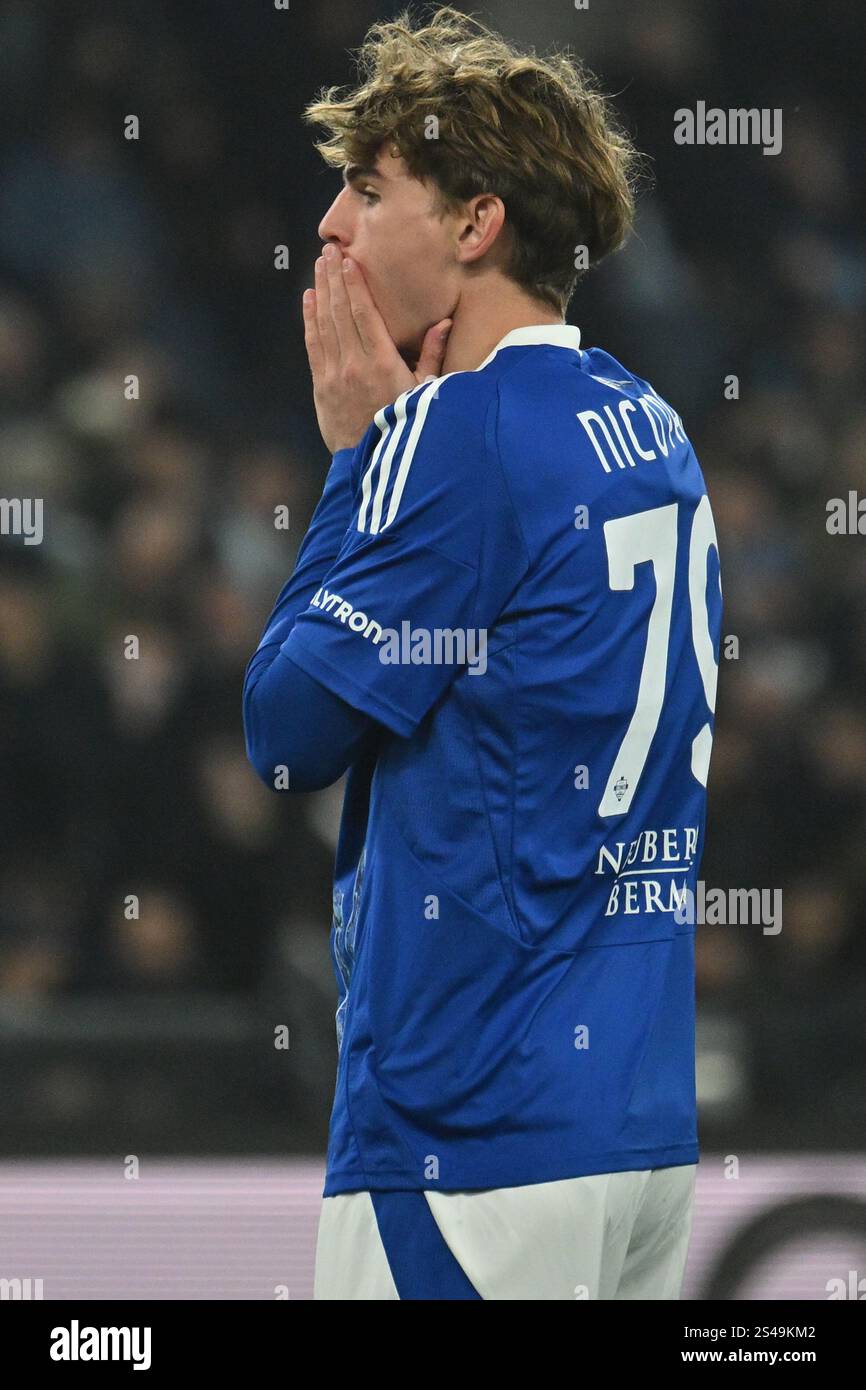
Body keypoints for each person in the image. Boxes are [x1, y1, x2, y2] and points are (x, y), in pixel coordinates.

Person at [243, 6, 722, 1300]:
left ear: (474, 222)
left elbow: (283, 733)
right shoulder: (650, 425)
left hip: (471, 1125)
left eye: (365, 188)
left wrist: (356, 463)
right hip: (632, 1124)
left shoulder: (455, 436)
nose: (331, 228)